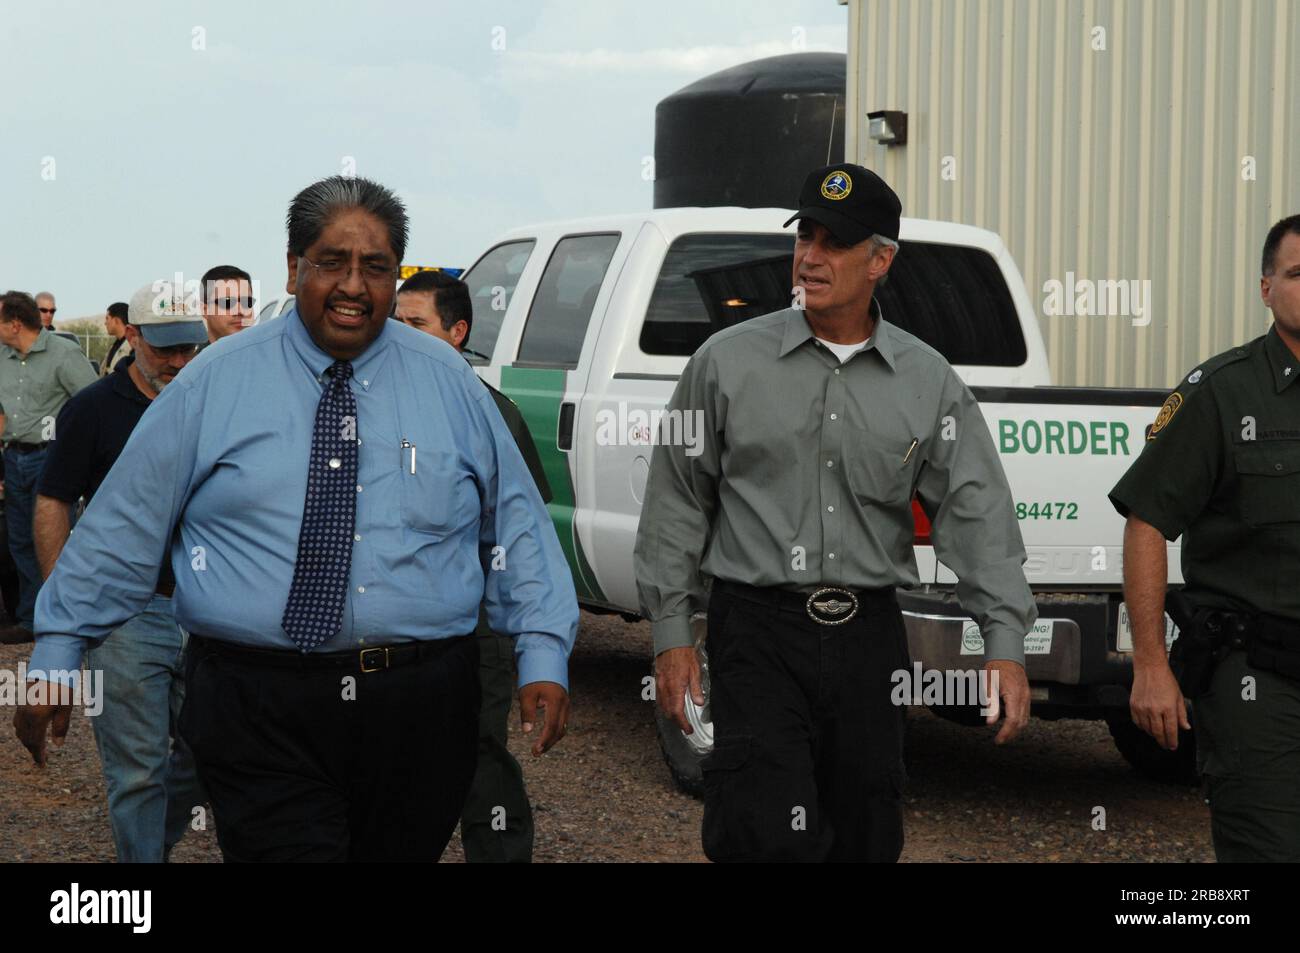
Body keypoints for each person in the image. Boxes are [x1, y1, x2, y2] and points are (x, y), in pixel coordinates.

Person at [16, 175, 578, 863]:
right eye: (332, 262)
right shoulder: (213, 382)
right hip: (259, 706)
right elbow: (123, 525)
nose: (354, 285)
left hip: (422, 707)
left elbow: (516, 523)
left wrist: (543, 647)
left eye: (376, 267)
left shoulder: (449, 382)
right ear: (293, 266)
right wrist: (57, 649)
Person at [634, 163, 1036, 863]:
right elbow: (674, 502)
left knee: (866, 835)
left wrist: (1004, 642)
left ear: (881, 259)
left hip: (868, 639)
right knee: (763, 830)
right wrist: (671, 634)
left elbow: (976, 515)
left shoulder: (928, 380)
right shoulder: (725, 364)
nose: (811, 256)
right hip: (755, 632)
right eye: (806, 236)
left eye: (835, 243)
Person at [1110, 213, 1300, 862]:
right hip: (1259, 678)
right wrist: (1151, 663)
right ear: (1265, 288)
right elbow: (1147, 521)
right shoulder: (1223, 392)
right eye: (1298, 273)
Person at [33, 283, 208, 862]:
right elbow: (54, 501)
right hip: (130, 615)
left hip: (213, 613)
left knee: (218, 757)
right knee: (136, 772)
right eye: (166, 350)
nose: (180, 363)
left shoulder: (214, 403)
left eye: (191, 349)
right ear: (132, 335)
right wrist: (68, 610)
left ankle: (151, 845)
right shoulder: (92, 409)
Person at [396, 269, 552, 863]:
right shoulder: (368, 401)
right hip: (389, 625)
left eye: (417, 324)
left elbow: (524, 534)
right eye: (395, 323)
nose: (401, 336)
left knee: (478, 751)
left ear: (457, 331)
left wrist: (536, 640)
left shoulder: (493, 414)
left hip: (473, 626)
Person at [0, 291, 97, 637]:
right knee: (20, 542)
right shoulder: (2, 357)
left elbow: (91, 405)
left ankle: (62, 616)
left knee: (53, 539)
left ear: (13, 324)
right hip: (13, 458)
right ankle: (30, 618)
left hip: (51, 458)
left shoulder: (64, 353)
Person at [199, 265, 255, 348]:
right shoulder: (193, 359)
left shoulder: (271, 355)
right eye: (227, 303)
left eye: (246, 302)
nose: (240, 311)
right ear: (205, 310)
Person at [100, 301, 131, 376]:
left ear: (116, 320)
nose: (105, 323)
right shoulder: (115, 345)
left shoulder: (132, 346)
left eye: (107, 318)